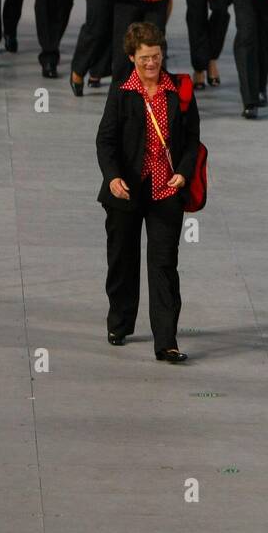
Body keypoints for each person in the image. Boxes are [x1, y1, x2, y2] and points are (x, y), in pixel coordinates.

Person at [96, 21, 200, 363]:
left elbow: (191, 141)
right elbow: (106, 140)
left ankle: (166, 341)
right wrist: (112, 178)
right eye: (143, 58)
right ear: (131, 57)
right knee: (122, 260)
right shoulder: (122, 90)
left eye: (155, 56)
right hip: (127, 191)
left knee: (164, 266)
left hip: (166, 191)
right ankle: (120, 322)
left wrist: (183, 174)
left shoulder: (180, 90)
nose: (151, 64)